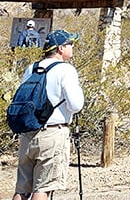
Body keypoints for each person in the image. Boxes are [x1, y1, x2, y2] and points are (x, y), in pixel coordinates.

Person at [12, 30, 85, 200]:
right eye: (70, 44)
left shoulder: (32, 67)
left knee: (22, 188)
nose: (72, 47)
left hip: (28, 133)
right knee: (44, 187)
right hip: (52, 133)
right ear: (61, 48)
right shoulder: (66, 70)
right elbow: (76, 105)